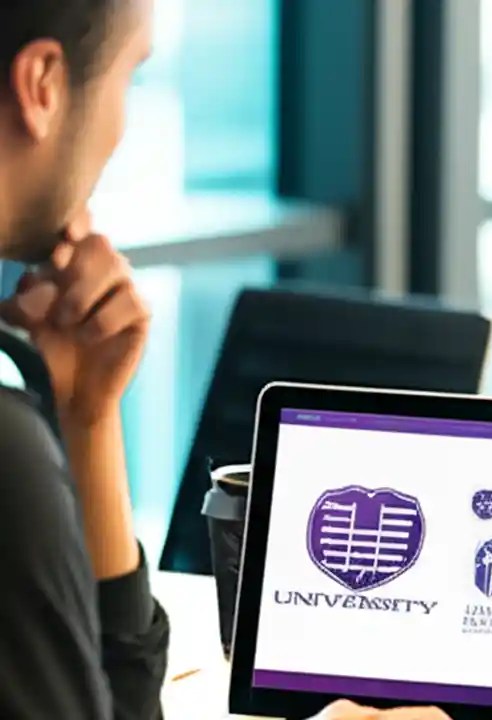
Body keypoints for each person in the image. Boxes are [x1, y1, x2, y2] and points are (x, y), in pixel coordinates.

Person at [0, 1, 169, 718]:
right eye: (130, 76)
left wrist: (87, 418)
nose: (122, 131)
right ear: (42, 83)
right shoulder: (6, 458)